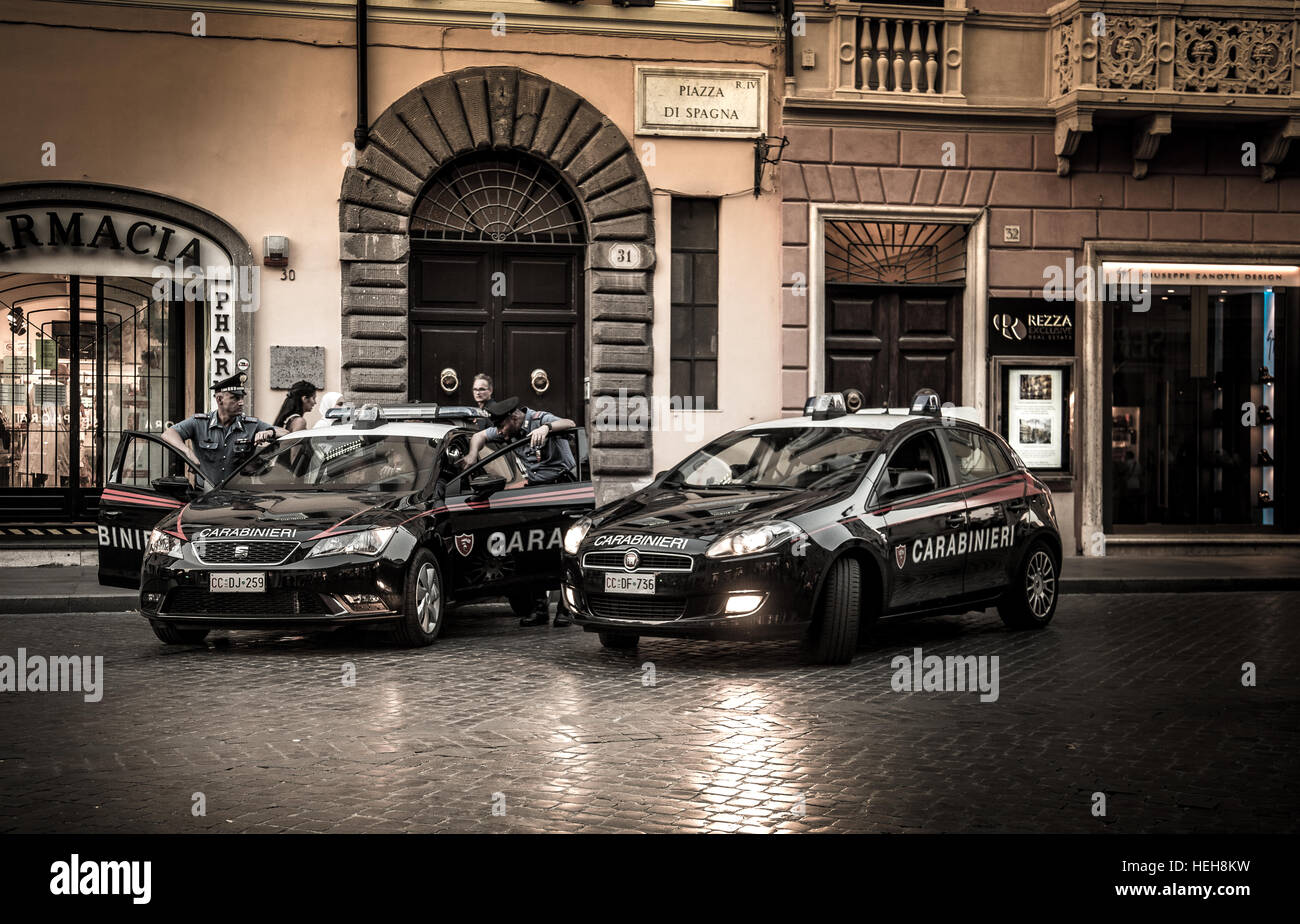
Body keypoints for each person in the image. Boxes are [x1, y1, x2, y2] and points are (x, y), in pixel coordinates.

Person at [462, 396, 577, 627]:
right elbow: (478, 436)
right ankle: (539, 608)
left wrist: (547, 428)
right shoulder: (508, 429)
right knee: (530, 550)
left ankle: (566, 607)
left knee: (562, 551)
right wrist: (473, 454)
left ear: (514, 417)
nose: (500, 432)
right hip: (534, 493)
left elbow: (570, 424)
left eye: (501, 426)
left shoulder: (539, 419)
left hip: (561, 491)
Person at [162, 373, 285, 488]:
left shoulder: (251, 424)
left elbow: (288, 434)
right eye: (235, 398)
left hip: (239, 495)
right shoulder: (199, 423)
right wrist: (187, 452)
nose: (241, 402)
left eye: (242, 397)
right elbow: (168, 434)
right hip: (205, 494)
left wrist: (270, 432)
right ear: (219, 399)